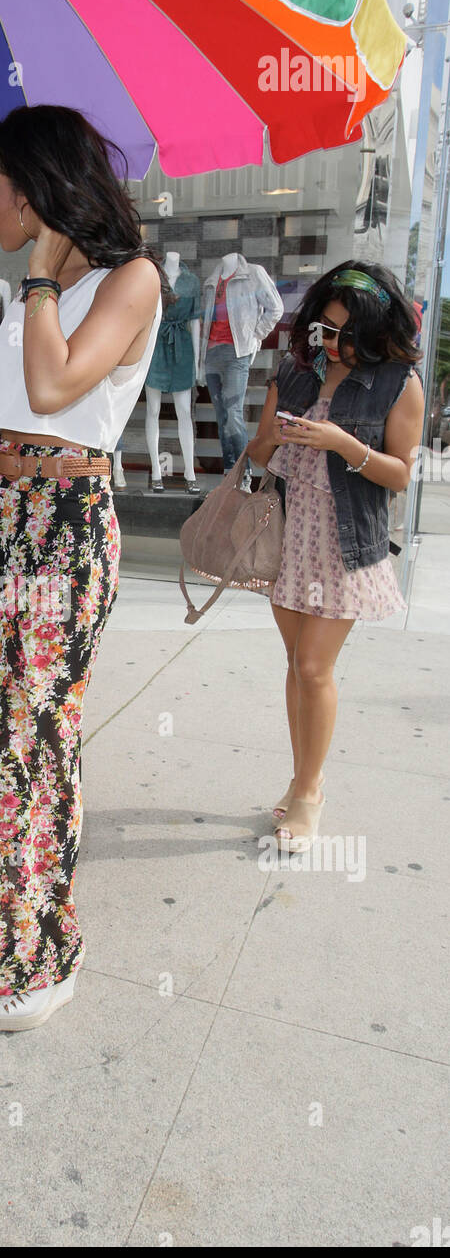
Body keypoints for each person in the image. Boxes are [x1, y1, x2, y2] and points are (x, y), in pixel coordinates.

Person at [0, 104, 164, 1031]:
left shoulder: (130, 280)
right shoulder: (32, 299)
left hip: (64, 527)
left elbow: (57, 388)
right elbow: (14, 405)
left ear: (42, 190)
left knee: (33, 745)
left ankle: (44, 954)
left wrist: (42, 282)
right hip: (2, 518)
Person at [247, 262, 423, 852]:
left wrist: (342, 444)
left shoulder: (397, 382)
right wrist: (272, 436)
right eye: (327, 328)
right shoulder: (296, 373)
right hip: (290, 539)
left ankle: (310, 791)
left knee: (315, 669)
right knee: (297, 665)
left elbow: (399, 475)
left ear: (376, 332)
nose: (336, 343)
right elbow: (258, 452)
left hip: (345, 547)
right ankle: (301, 779)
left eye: (349, 333)